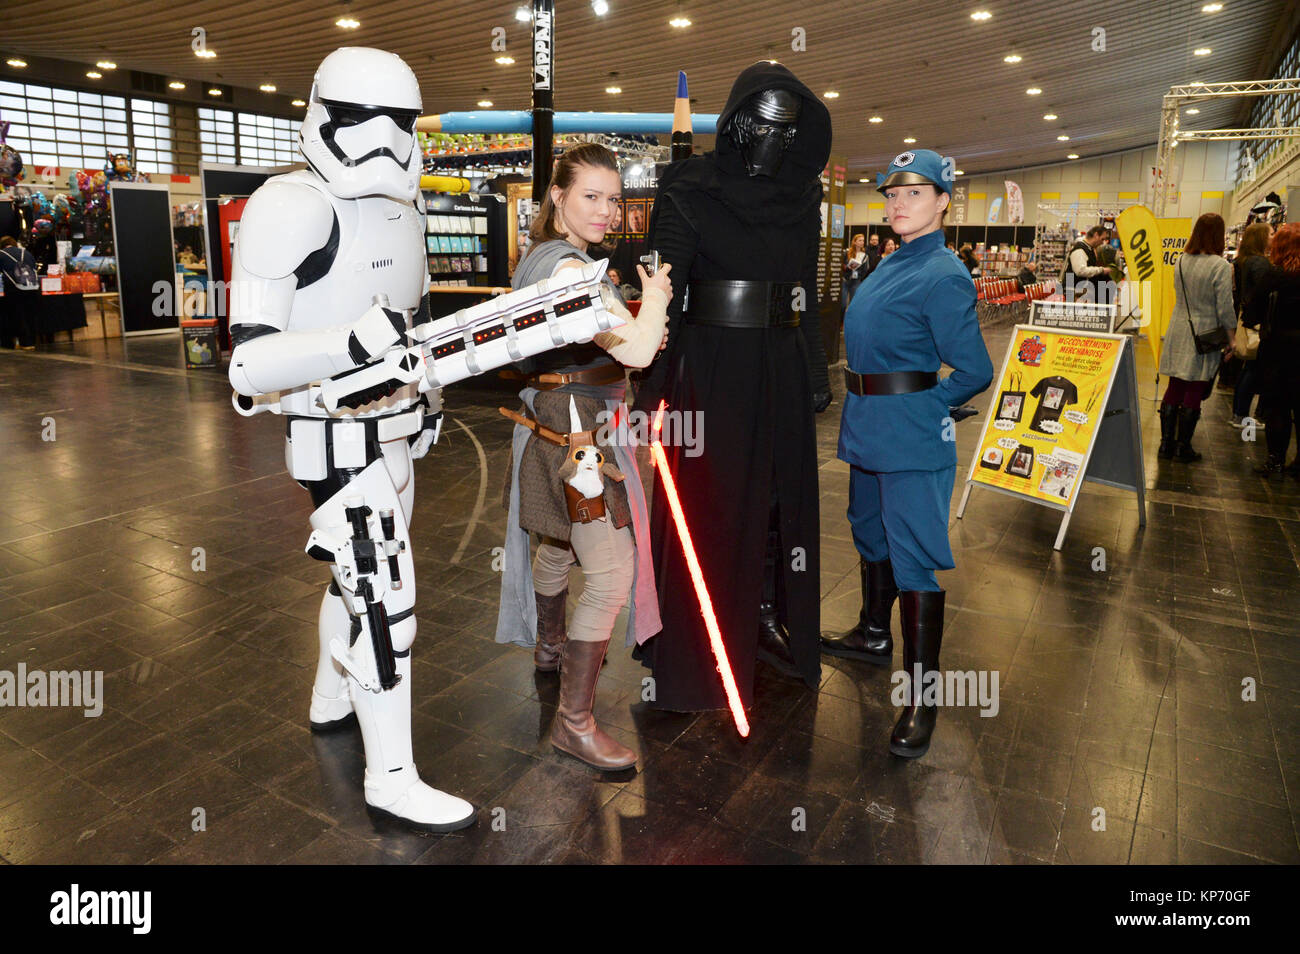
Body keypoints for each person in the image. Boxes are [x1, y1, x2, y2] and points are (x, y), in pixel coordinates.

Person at [225, 48, 477, 832]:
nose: (380, 140)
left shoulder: (408, 210)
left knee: (354, 582)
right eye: (359, 120)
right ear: (321, 115)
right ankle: (389, 778)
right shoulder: (289, 205)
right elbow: (246, 362)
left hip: (399, 430)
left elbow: (418, 320)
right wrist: (347, 344)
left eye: (398, 124)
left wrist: (427, 395)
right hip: (331, 437)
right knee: (384, 600)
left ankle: (331, 696)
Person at [633, 61, 833, 712]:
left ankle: (767, 621)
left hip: (779, 358)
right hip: (711, 366)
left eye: (790, 130)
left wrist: (812, 374)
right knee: (711, 510)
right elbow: (662, 292)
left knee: (781, 502)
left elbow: (803, 290)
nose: (779, 143)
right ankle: (692, 652)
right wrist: (651, 391)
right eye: (768, 128)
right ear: (741, 126)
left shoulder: (804, 196)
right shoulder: (691, 185)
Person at [495, 142, 672, 770]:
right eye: (590, 196)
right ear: (557, 196)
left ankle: (549, 648)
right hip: (579, 438)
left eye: (612, 199)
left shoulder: (550, 259)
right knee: (612, 571)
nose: (605, 210)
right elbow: (639, 351)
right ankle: (574, 722)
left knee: (558, 543)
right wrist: (655, 301)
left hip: (564, 425)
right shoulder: (566, 269)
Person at [822, 148, 993, 759]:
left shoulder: (943, 272)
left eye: (914, 193)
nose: (898, 203)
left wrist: (930, 408)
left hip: (911, 436)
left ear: (944, 201)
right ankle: (873, 633)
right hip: (867, 425)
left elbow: (975, 368)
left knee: (914, 558)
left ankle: (923, 697)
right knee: (868, 533)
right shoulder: (893, 262)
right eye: (892, 194)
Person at [1156, 213, 1236, 462]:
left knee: (1175, 383)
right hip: (1205, 332)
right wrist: (1232, 337)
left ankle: (1165, 444)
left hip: (1178, 327)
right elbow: (1224, 306)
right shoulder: (1221, 266)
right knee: (1196, 384)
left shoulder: (1181, 261)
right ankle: (1183, 446)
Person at [1243, 222, 1300, 477]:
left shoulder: (1273, 276)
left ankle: (1275, 461)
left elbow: (1251, 312)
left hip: (1277, 349)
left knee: (1278, 407)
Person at [1230, 223, 1271, 428]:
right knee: (1253, 367)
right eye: (1271, 233)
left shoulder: (1242, 262)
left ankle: (1239, 412)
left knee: (1248, 367)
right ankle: (1243, 415)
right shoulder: (1260, 264)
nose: (1273, 237)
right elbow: (1264, 292)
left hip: (1245, 318)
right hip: (1257, 322)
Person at [0, 235, 39, 350]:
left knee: (17, 314)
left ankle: (22, 342)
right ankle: (31, 342)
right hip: (32, 287)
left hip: (14, 288)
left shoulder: (1, 254)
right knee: (29, 314)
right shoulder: (26, 253)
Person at [1062, 225, 1112, 303]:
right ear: (1096, 235)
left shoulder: (1089, 249)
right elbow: (1080, 271)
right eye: (1102, 239)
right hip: (1075, 292)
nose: (1102, 243)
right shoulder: (1080, 249)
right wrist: (1101, 270)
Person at [843, 232, 868, 309]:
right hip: (845, 279)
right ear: (854, 242)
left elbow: (865, 269)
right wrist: (847, 267)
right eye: (860, 240)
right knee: (843, 304)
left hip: (856, 281)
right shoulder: (847, 252)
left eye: (863, 241)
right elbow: (840, 264)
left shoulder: (865, 255)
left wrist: (859, 278)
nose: (862, 242)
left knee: (853, 304)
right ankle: (841, 320)